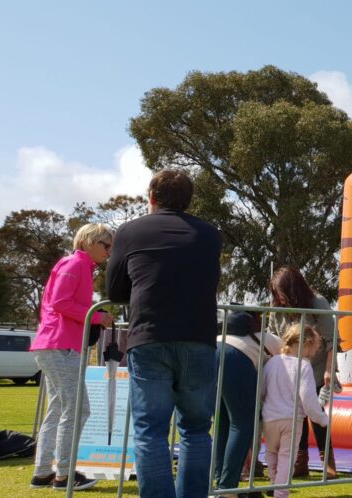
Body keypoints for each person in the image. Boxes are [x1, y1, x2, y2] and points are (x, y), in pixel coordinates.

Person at [106, 168, 222, 498]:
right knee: (197, 429)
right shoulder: (210, 234)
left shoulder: (130, 231)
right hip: (198, 337)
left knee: (150, 431)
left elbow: (114, 290)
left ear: (152, 199)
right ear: (188, 201)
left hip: (151, 336)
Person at [29, 223, 115, 491]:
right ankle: (64, 474)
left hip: (56, 345)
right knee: (77, 409)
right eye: (105, 245)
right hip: (59, 345)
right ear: (89, 241)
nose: (109, 252)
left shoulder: (79, 266)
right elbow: (60, 303)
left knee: (58, 409)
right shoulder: (75, 264)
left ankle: (43, 473)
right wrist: (98, 316)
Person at [266, 266, 339, 478]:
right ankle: (300, 460)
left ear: (293, 289)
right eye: (275, 293)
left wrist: (329, 370)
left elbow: (331, 338)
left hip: (315, 367)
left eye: (280, 293)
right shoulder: (276, 306)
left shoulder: (317, 303)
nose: (278, 298)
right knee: (295, 412)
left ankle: (328, 460)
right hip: (289, 367)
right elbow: (273, 336)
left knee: (315, 410)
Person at [213, 311, 281, 496]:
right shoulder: (270, 340)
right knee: (243, 425)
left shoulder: (226, 334)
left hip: (213, 352)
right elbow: (287, 365)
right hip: (236, 360)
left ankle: (221, 482)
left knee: (223, 423)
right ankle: (228, 488)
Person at [261, 324, 331, 498]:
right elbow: (308, 399)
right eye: (315, 347)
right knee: (286, 457)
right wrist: (322, 418)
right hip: (291, 419)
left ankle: (273, 483)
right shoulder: (304, 366)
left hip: (270, 418)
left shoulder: (272, 362)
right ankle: (281, 492)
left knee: (271, 453)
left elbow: (262, 390)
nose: (315, 352)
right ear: (306, 343)